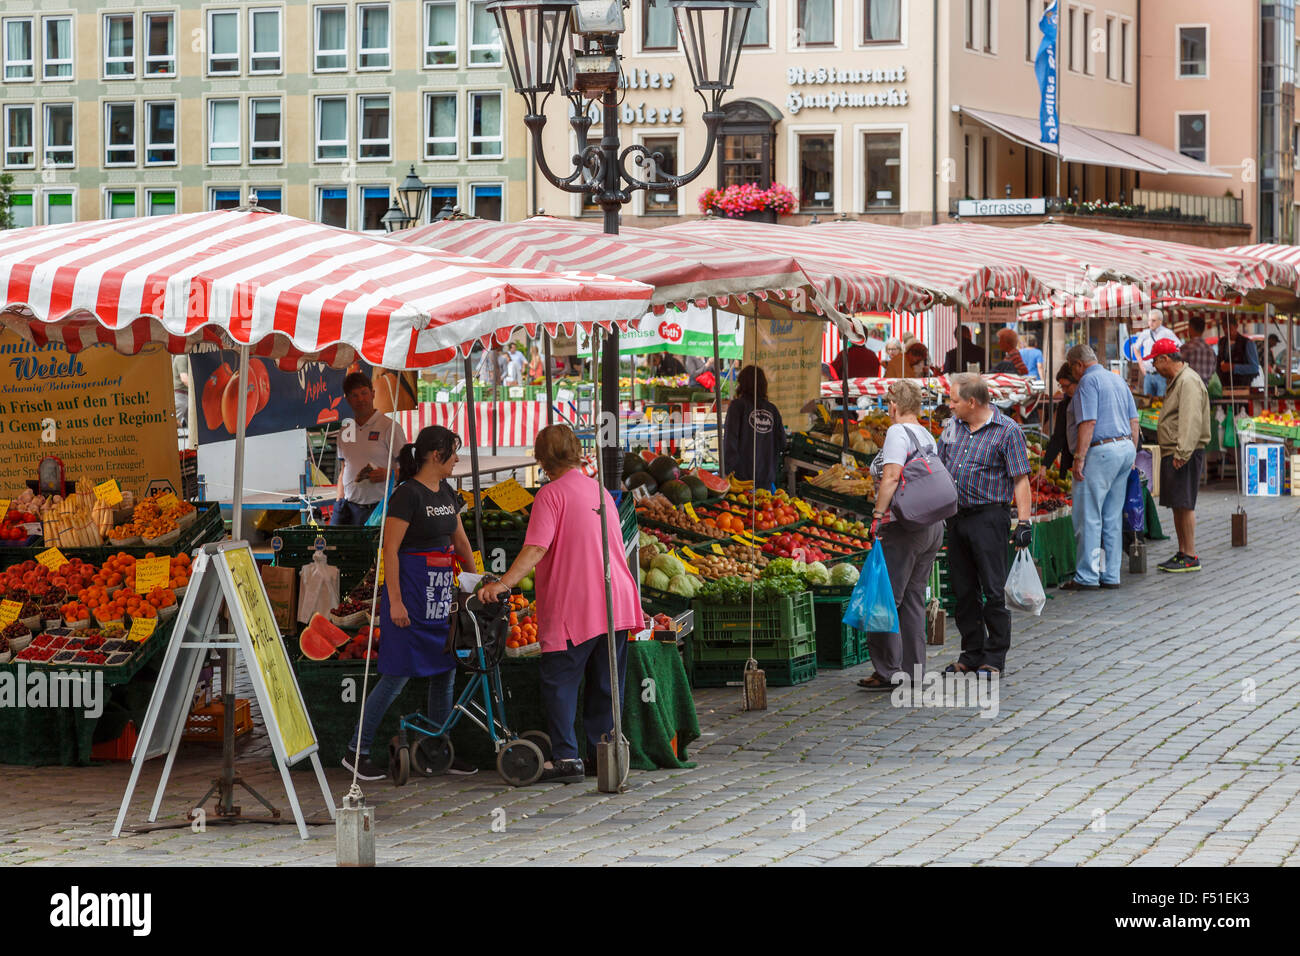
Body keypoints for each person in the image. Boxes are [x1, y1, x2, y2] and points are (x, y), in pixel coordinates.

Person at [478, 424, 642, 783]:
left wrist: (503, 584)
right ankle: (604, 752)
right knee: (604, 682)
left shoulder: (550, 496)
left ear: (542, 459)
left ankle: (567, 758)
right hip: (617, 600)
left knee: (559, 681)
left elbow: (536, 547)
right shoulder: (599, 491)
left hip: (577, 603)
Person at [343, 426, 477, 781]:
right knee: (395, 677)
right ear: (436, 456)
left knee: (444, 675)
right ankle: (357, 751)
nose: (456, 459)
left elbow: (460, 542)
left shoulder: (447, 491)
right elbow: (390, 549)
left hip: (439, 597)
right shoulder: (406, 494)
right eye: (453, 452)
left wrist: (473, 583)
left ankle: (438, 750)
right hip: (408, 598)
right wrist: (396, 603)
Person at [937, 373, 1033, 677]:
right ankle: (971, 653)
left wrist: (1024, 521)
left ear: (972, 402)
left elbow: (1020, 479)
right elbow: (939, 465)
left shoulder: (1008, 431)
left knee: (992, 590)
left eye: (954, 400)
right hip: (957, 517)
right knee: (964, 590)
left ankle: (994, 658)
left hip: (989, 517)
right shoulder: (953, 428)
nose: (949, 406)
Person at [857, 380, 946, 691]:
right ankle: (913, 670)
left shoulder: (897, 432)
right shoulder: (925, 434)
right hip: (931, 526)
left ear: (893, 406)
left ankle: (887, 671)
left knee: (885, 598)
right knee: (911, 599)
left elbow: (892, 475)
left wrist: (878, 515)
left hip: (904, 526)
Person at [1060, 345, 1140, 592]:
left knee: (1089, 517)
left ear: (1077, 365)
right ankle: (1110, 573)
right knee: (1112, 517)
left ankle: (1087, 576)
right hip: (1124, 448)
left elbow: (1089, 422)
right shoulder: (1116, 380)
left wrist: (1079, 458)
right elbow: (1134, 421)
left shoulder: (1087, 383)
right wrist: (1132, 453)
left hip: (1101, 452)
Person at [1150, 339, 1210, 573]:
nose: (1154, 366)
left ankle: (1190, 554)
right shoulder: (1179, 380)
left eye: (1155, 361)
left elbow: (1190, 419)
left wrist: (1182, 451)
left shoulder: (1188, 381)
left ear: (1165, 359)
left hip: (1183, 451)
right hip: (1176, 449)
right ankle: (1183, 551)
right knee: (1178, 503)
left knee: (1184, 504)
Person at [332, 372, 408, 526]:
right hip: (349, 509)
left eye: (364, 393)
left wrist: (388, 474)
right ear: (347, 399)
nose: (360, 399)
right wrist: (339, 502)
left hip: (381, 509)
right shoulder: (345, 429)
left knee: (379, 550)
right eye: (354, 395)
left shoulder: (389, 427)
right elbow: (344, 468)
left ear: (373, 394)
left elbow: (410, 469)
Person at [723, 365, 785, 489]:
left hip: (741, 480)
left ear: (742, 384)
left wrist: (727, 470)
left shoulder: (737, 406)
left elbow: (730, 441)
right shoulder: (772, 409)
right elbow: (782, 442)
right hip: (766, 479)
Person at [1038, 364, 1078, 478]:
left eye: (1066, 386)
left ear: (1076, 381)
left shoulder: (1088, 400)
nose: (1064, 390)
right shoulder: (1064, 404)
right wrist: (1045, 465)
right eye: (1061, 386)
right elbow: (1058, 436)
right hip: (1069, 460)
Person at [1135, 309, 1181, 398]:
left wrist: (1170, 364)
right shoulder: (1145, 333)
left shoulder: (1167, 333)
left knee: (1161, 402)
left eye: (1153, 320)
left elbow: (1179, 347)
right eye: (1149, 320)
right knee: (1147, 402)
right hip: (1148, 374)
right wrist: (1141, 365)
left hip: (1161, 375)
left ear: (1160, 321)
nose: (1150, 323)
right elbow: (1136, 348)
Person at [1216, 315, 1261, 384]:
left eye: (1230, 328)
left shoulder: (1247, 343)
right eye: (1224, 328)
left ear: (1236, 326)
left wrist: (1234, 367)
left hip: (1243, 386)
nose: (1227, 331)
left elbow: (1254, 368)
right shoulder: (1222, 342)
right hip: (1224, 386)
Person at [1181, 314, 1217, 385]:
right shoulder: (1211, 351)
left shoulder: (1185, 348)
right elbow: (1213, 371)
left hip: (1188, 389)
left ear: (1190, 328)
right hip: (1205, 391)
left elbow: (1177, 370)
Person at [171, 354, 190, 430]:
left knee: (195, 426)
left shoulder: (183, 357)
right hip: (180, 395)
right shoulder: (181, 357)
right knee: (172, 425)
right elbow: (184, 379)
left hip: (184, 395)